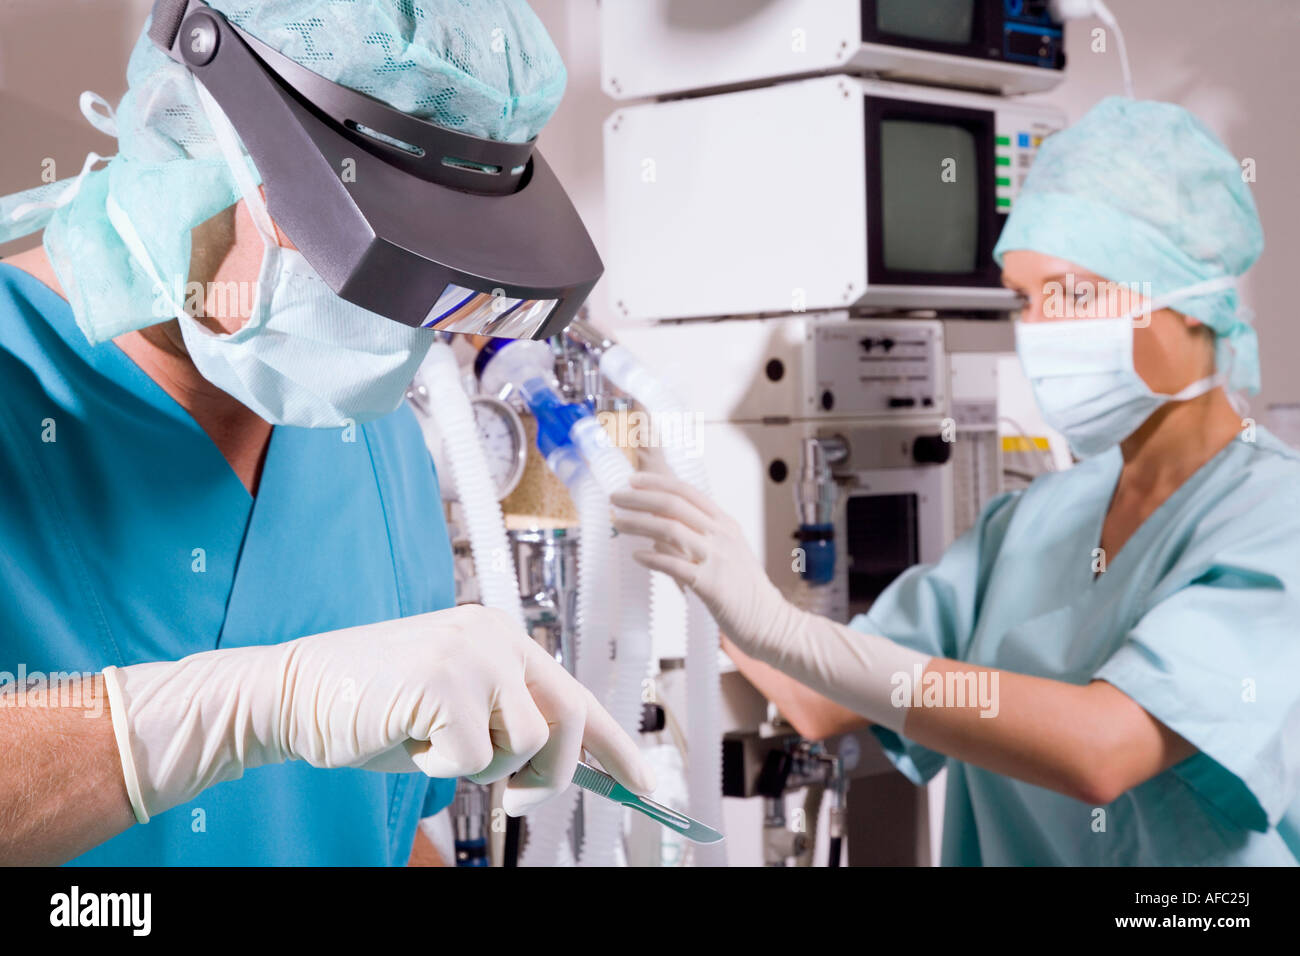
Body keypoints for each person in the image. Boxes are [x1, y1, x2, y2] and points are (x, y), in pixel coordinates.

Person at [0, 0, 653, 867]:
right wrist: (244, 709)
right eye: (364, 250)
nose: (394, 323)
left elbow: (373, 829)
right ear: (191, 133)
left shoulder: (364, 435)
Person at [612, 97, 1300, 865]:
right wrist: (691, 549)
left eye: (1074, 294)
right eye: (1024, 300)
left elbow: (1104, 750)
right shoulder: (1034, 524)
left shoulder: (1276, 520)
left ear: (1189, 304)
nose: (1040, 330)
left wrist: (783, 629)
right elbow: (822, 694)